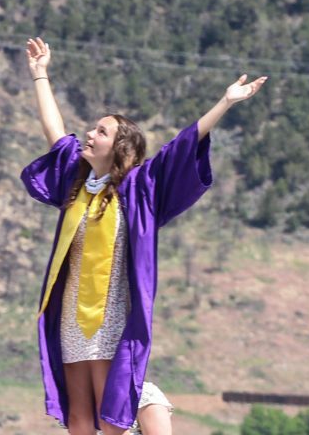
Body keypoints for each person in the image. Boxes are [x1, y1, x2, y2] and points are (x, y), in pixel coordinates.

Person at [20, 37, 266, 435]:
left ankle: (151, 407)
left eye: (101, 131)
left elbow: (182, 146)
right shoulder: (77, 183)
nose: (90, 133)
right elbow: (55, 133)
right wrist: (40, 75)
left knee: (110, 415)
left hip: (111, 313)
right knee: (78, 419)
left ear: (120, 148)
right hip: (70, 314)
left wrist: (225, 102)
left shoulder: (139, 189)